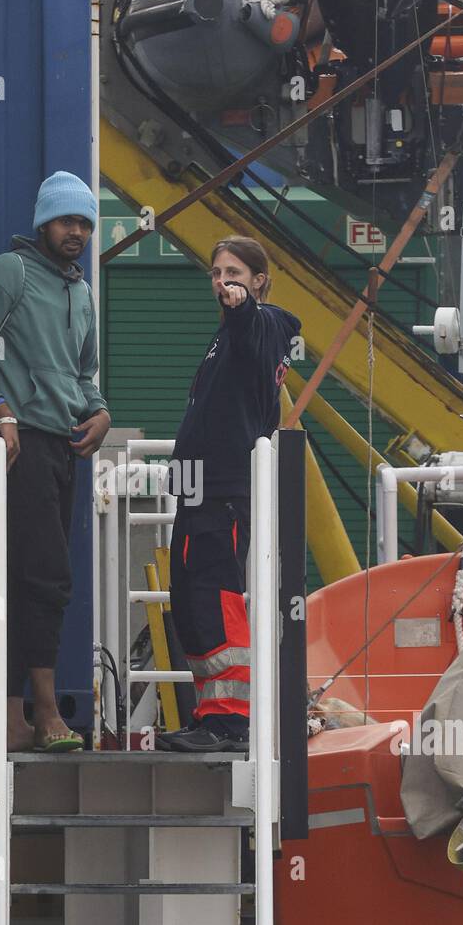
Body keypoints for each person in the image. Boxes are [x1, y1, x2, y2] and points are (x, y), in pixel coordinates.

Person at [0, 171, 110, 752]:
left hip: (63, 446)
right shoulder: (6, 273)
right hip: (15, 447)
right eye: (68, 220)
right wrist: (1, 411)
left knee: (32, 580)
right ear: (44, 222)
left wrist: (101, 411)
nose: (78, 232)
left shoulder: (82, 292)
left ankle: (16, 716)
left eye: (86, 222)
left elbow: (84, 373)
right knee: (45, 577)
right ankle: (41, 712)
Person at [157, 236, 301, 753]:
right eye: (217, 273)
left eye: (235, 273)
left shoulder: (259, 327)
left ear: (259, 280)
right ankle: (210, 714)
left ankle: (231, 721)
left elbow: (251, 326)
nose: (224, 282)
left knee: (216, 599)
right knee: (191, 602)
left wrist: (244, 307)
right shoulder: (227, 339)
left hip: (223, 492)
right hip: (199, 491)